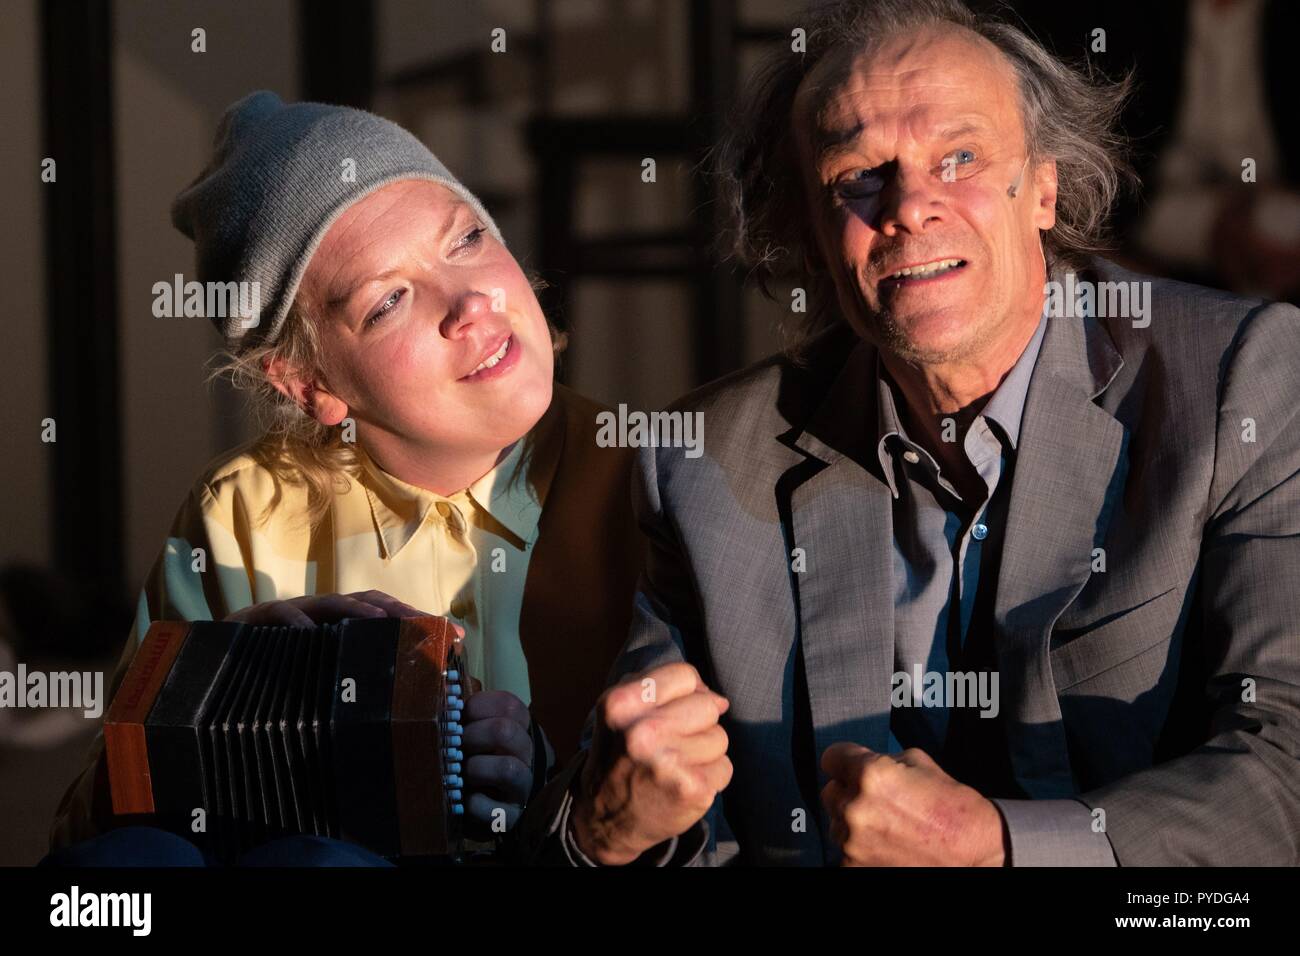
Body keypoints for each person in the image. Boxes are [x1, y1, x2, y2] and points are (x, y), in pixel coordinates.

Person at [518, 0, 1300, 866]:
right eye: (858, 177)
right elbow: (667, 820)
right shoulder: (703, 458)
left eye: (960, 157)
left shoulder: (1241, 379)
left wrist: (997, 846)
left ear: (1045, 186)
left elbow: (1284, 774)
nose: (910, 207)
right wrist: (608, 832)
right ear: (811, 236)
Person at [47, 91, 641, 865]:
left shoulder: (649, 481)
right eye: (389, 300)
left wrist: (558, 787)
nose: (469, 303)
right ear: (304, 383)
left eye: (465, 239)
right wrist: (203, 694)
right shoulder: (241, 514)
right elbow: (88, 837)